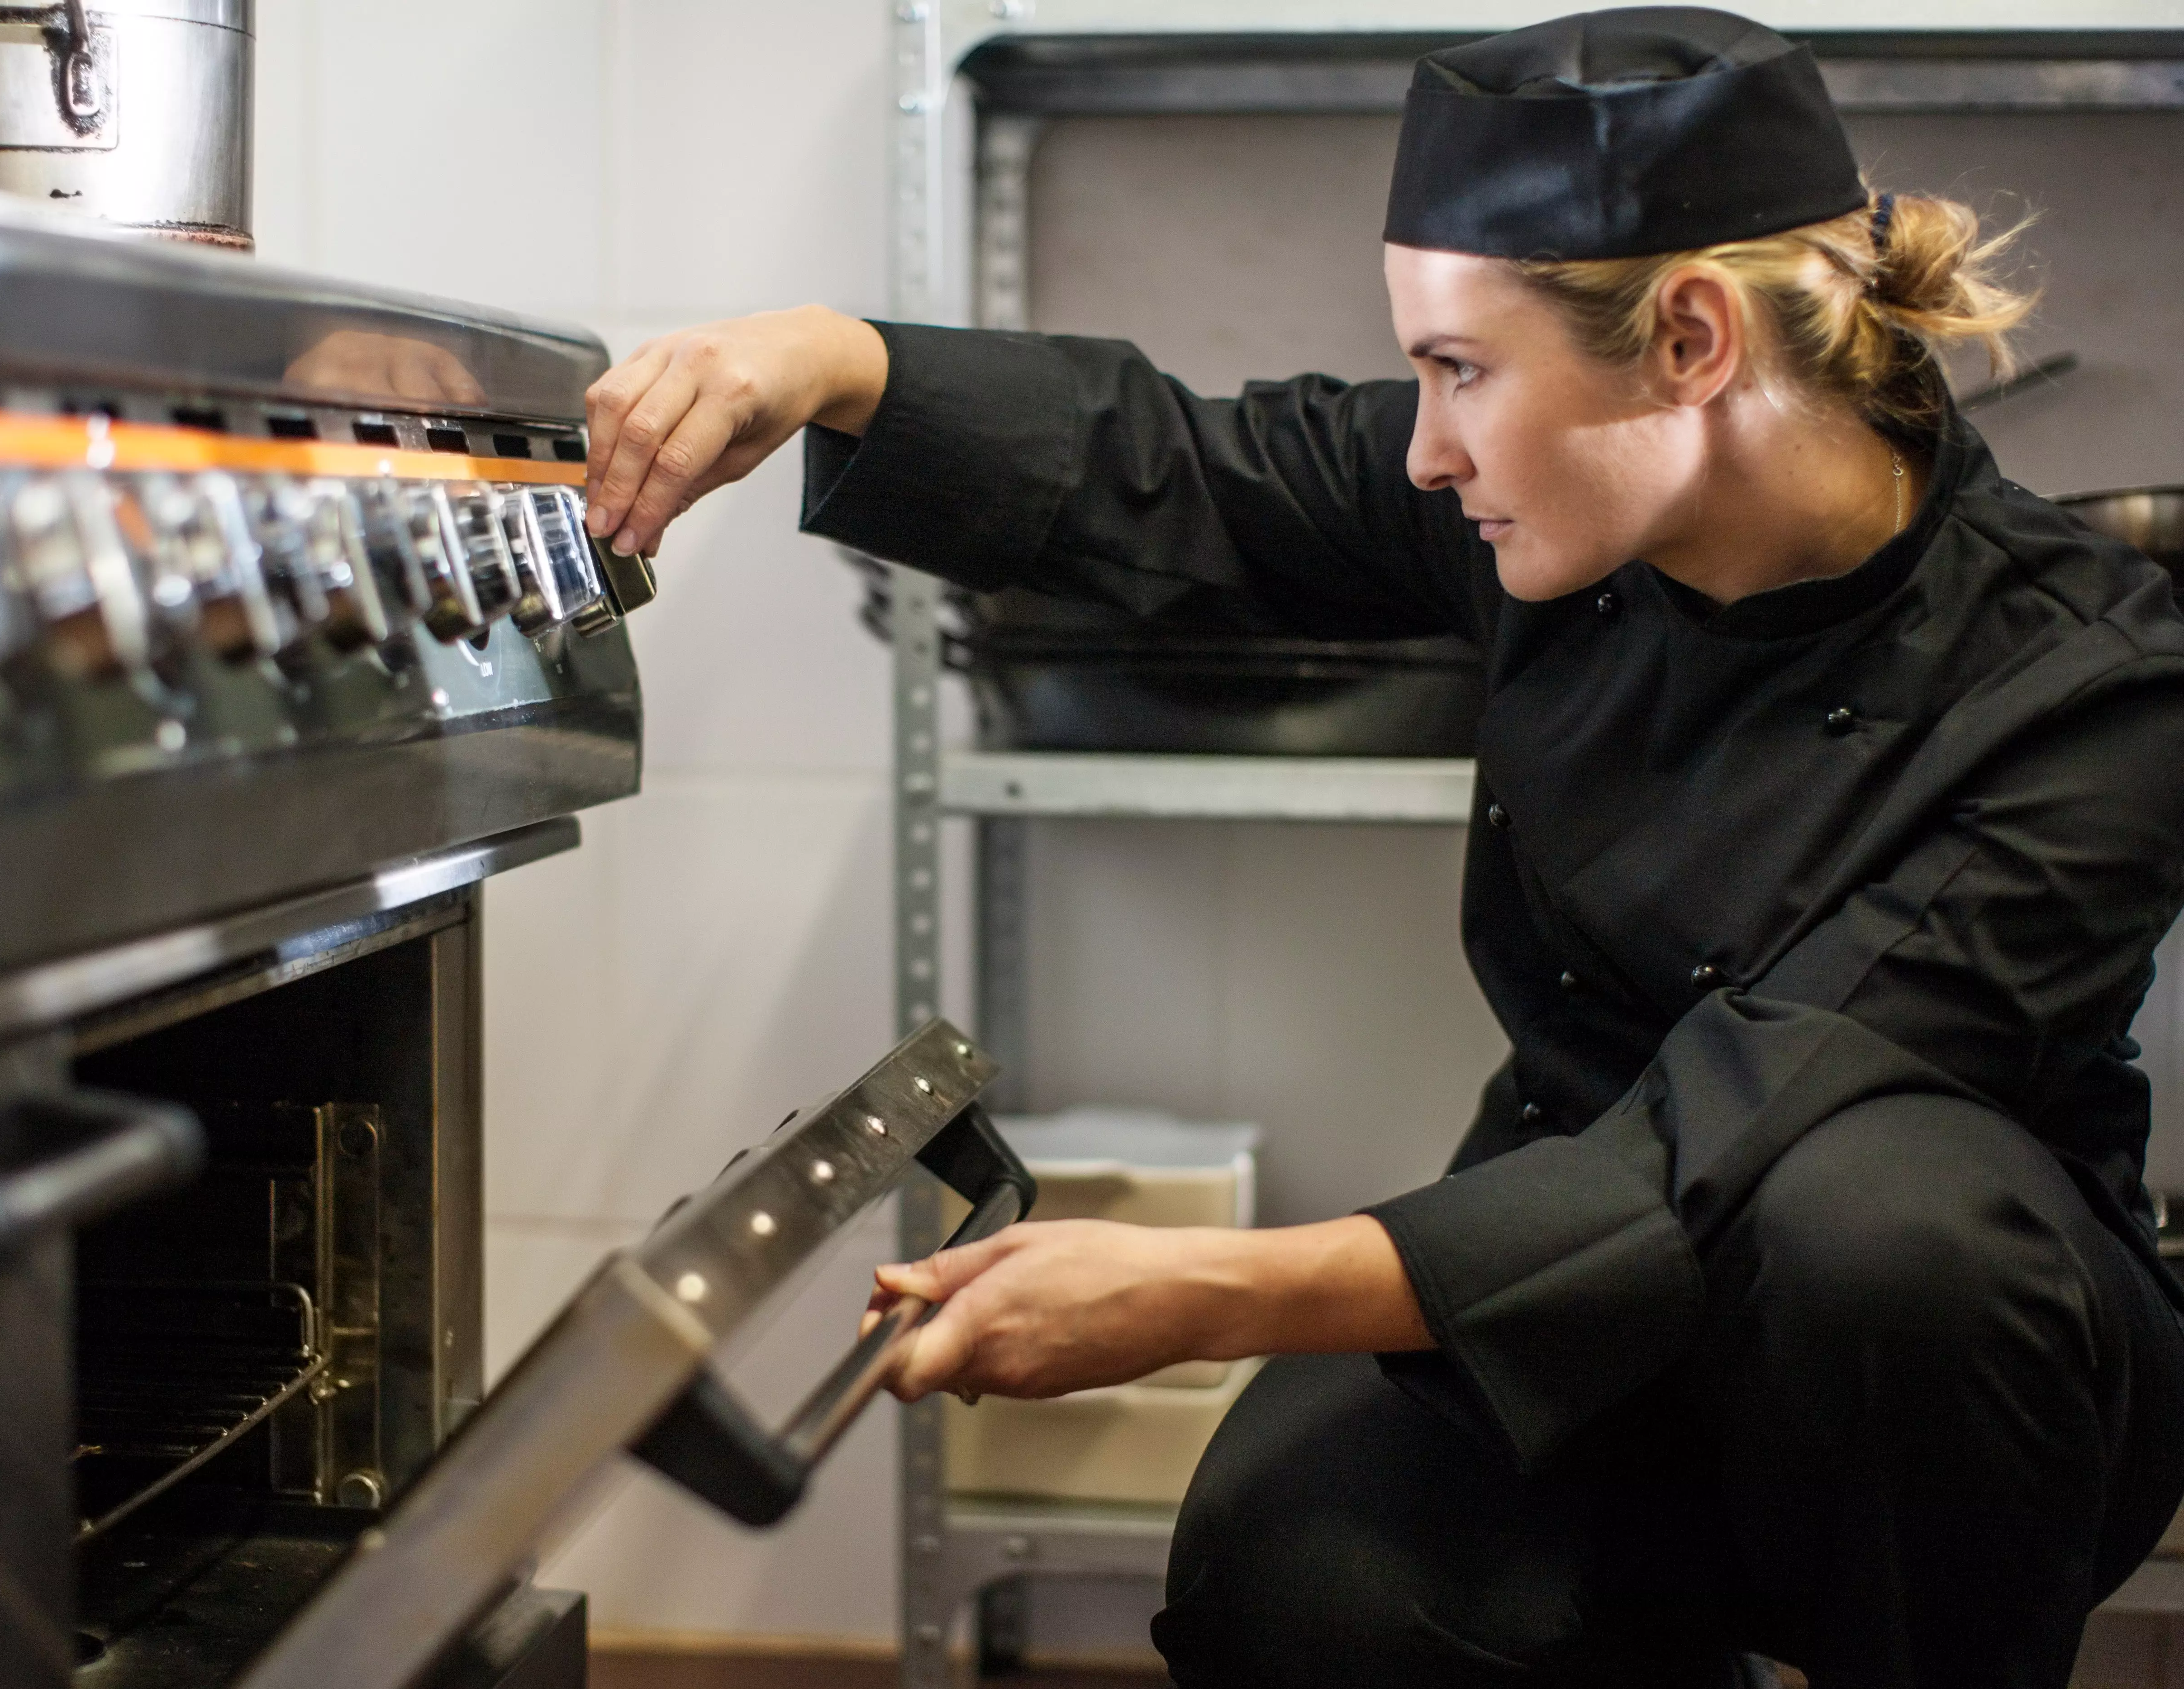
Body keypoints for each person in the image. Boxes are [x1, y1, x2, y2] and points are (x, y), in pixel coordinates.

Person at [580, 9, 2184, 1684]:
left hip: (1938, 1379)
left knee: (1877, 1224)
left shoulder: (2091, 686)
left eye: (1460, 369)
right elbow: (1189, 469)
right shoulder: (1556, 523)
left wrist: (1211, 1290)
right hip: (1563, 1283)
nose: (1426, 448)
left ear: (1694, 339)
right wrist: (830, 359)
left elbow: (1744, 1135)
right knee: (1304, 1573)